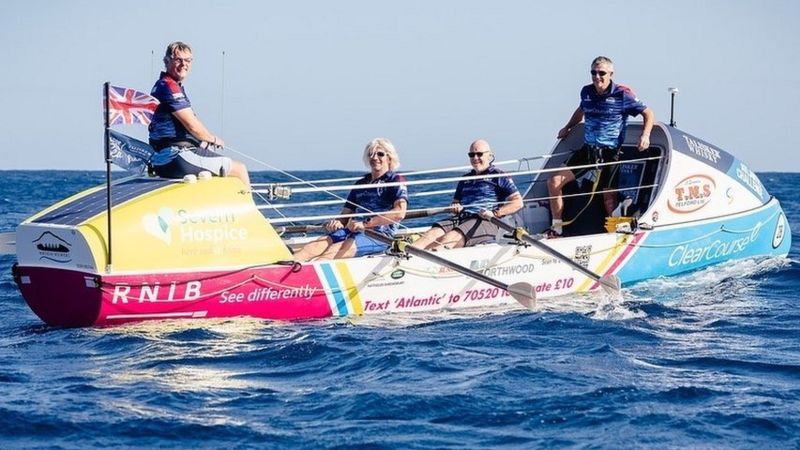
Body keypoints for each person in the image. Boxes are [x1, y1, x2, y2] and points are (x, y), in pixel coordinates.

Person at [547, 56, 654, 236]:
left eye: (602, 73)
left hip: (610, 153)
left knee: (609, 199)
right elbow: (581, 110)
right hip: (588, 151)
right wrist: (568, 127)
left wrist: (645, 135)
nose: (597, 77)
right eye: (593, 73)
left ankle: (613, 235)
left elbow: (648, 113)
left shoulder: (622, 94)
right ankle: (557, 228)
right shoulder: (586, 92)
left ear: (610, 74)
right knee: (554, 181)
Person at [148, 41, 250, 188]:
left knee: (213, 166)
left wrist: (204, 142)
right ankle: (249, 209)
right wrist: (212, 139)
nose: (184, 64)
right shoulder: (170, 87)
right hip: (178, 157)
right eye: (178, 60)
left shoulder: (162, 85)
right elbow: (192, 126)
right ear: (166, 61)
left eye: (188, 60)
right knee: (239, 169)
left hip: (162, 160)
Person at [293, 138, 408, 261]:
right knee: (314, 246)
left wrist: (365, 224)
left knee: (334, 250)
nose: (374, 158)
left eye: (380, 154)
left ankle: (309, 276)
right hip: (352, 230)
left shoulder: (395, 180)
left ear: (389, 158)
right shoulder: (361, 183)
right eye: (371, 154)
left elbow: (399, 213)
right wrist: (337, 223)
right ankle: (282, 268)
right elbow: (345, 215)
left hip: (379, 235)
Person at [413, 139, 523, 251]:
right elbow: (456, 201)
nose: (475, 158)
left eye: (479, 154)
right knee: (430, 235)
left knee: (449, 238)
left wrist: (495, 213)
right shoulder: (465, 179)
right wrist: (455, 206)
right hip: (461, 218)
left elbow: (518, 202)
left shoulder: (499, 176)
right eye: (471, 155)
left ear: (489, 156)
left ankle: (430, 260)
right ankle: (410, 257)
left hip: (485, 221)